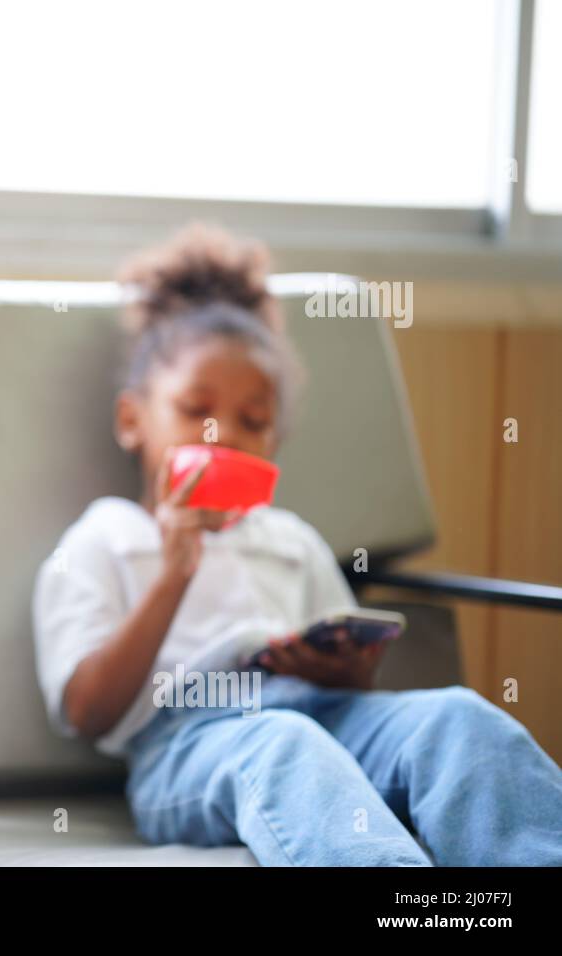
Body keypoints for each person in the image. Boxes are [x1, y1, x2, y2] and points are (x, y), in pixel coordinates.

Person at [32, 223, 562, 866]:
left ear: (274, 443)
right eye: (195, 407)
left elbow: (359, 680)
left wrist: (346, 669)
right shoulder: (105, 537)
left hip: (329, 715)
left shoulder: (290, 541)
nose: (222, 432)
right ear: (131, 420)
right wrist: (172, 576)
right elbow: (86, 709)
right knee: (281, 740)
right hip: (190, 744)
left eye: (252, 422)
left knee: (459, 720)